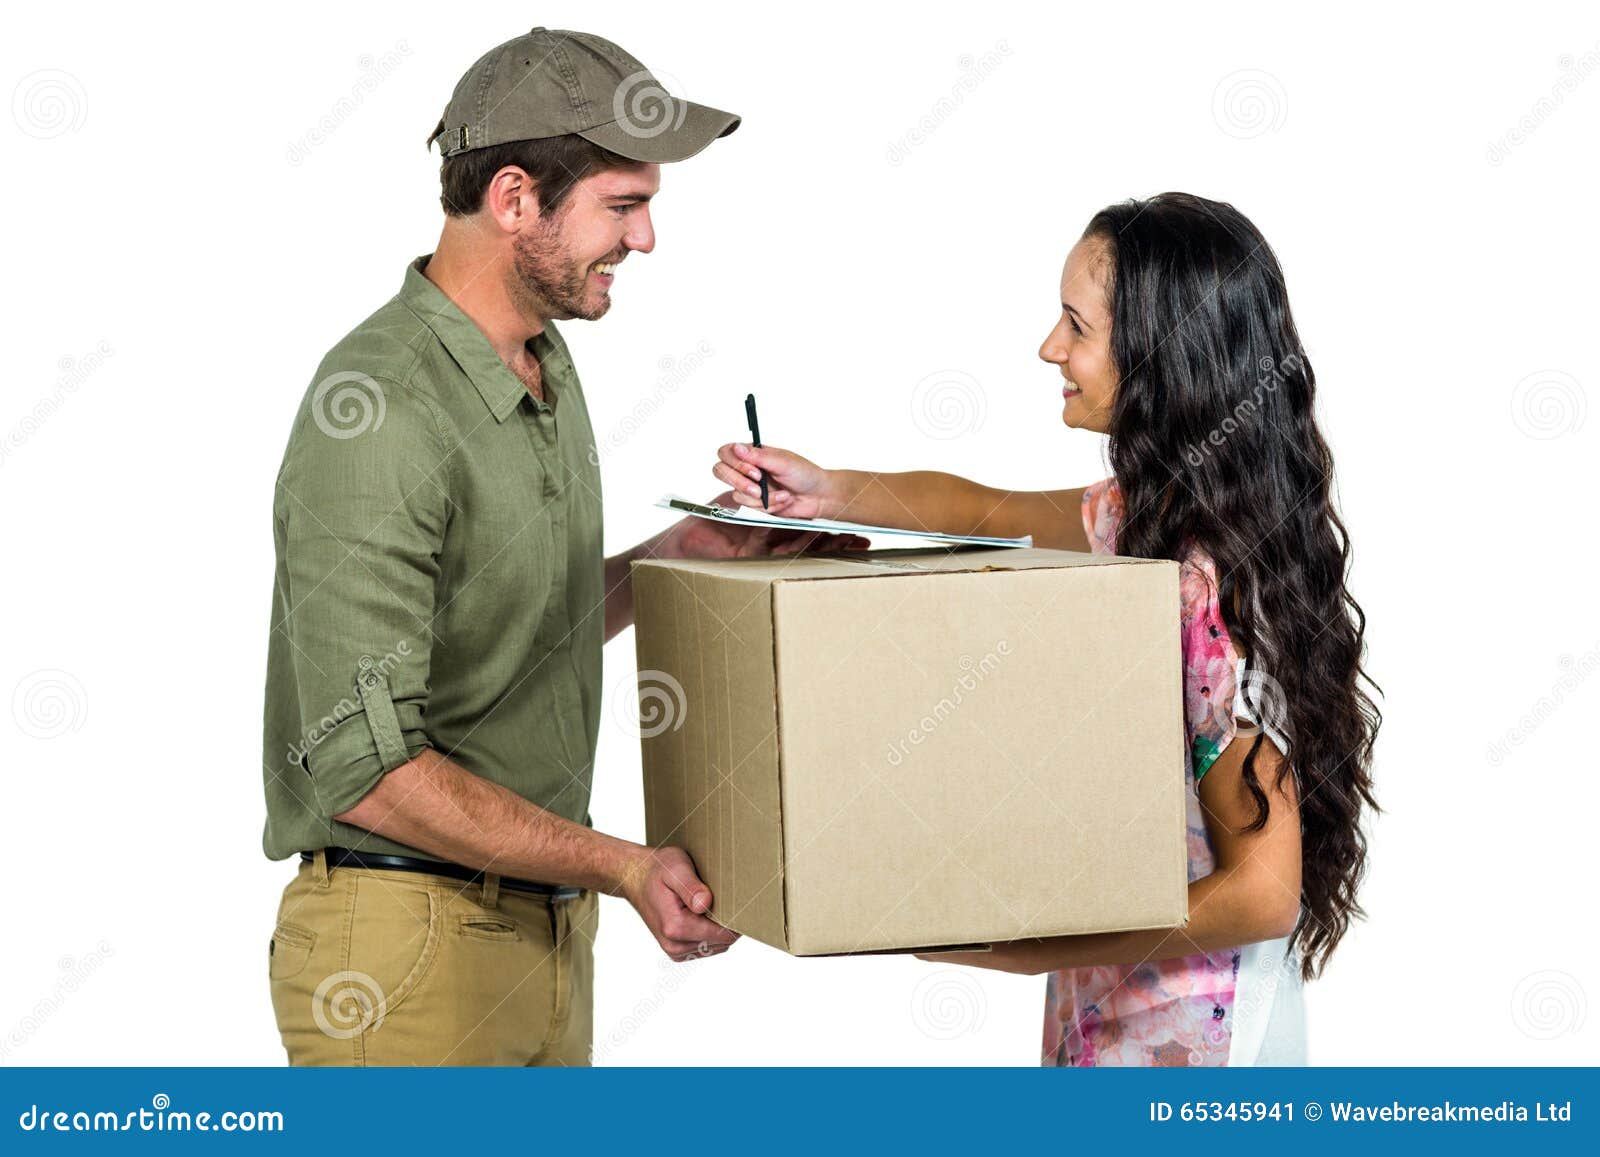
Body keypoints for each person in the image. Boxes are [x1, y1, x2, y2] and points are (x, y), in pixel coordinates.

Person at [262, 26, 856, 1067]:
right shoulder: (382, 408)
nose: (647, 239)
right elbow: (365, 771)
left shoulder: (539, 364)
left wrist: (686, 552)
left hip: (540, 933)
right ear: (514, 199)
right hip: (406, 950)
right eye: (623, 206)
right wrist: (621, 864)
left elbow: (513, 625)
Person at [712, 192, 1381, 1066]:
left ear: (1158, 357)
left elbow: (1263, 894)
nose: (1049, 348)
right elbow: (988, 509)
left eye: (1077, 325)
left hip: (1198, 1040)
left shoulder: (1199, 588)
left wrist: (1027, 948)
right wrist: (830, 488)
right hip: (1120, 1013)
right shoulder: (1146, 518)